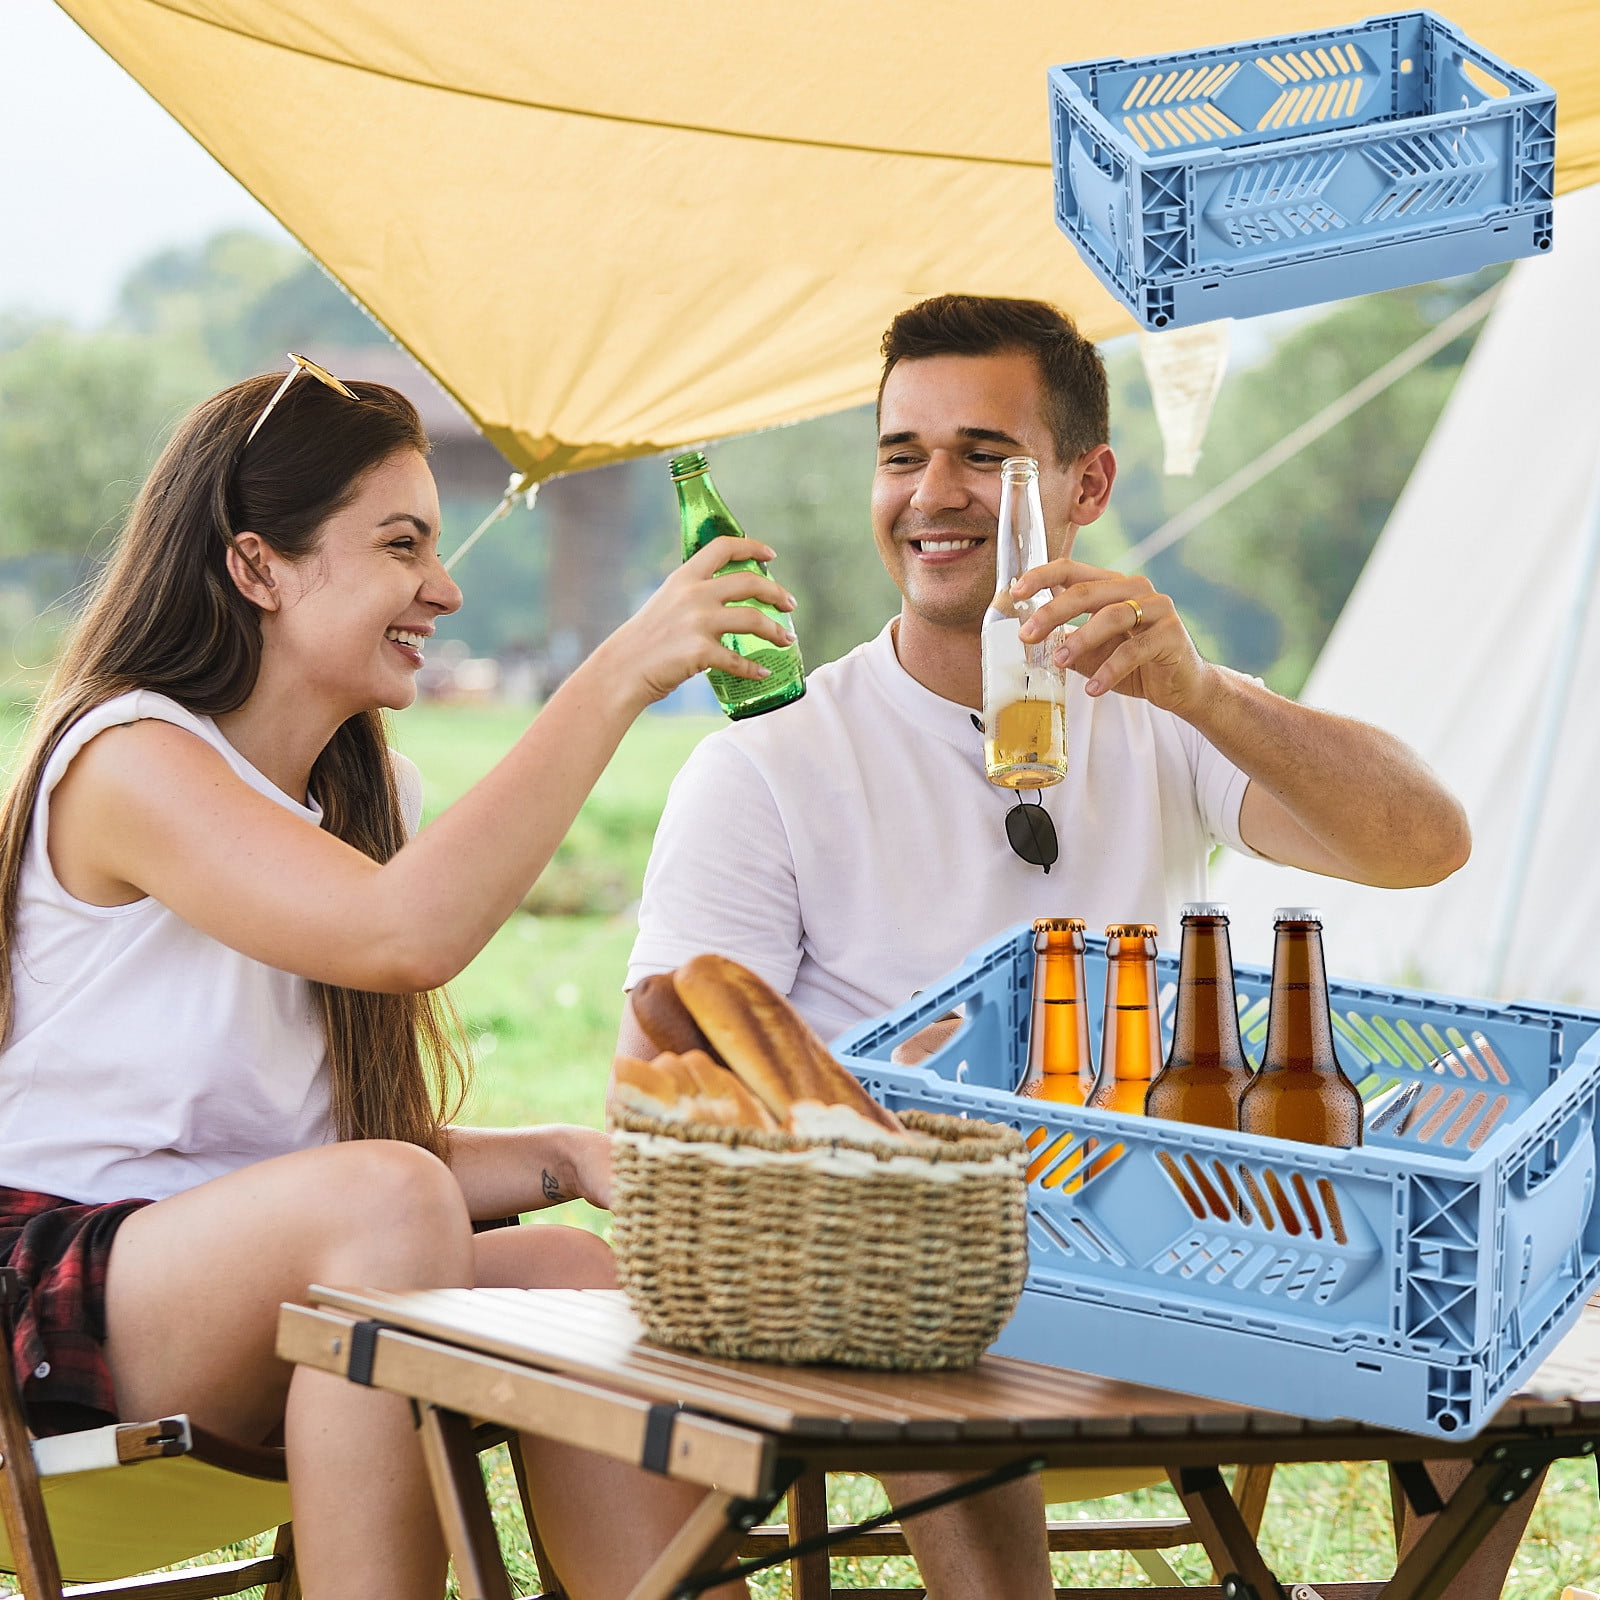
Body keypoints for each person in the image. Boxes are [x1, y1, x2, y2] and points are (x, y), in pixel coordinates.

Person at [619, 295, 1480, 1598]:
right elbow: (659, 1076)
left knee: (1455, 1281)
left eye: (983, 453)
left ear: (1088, 484)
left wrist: (1202, 689)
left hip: (1177, 1261)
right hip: (913, 1275)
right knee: (918, 1294)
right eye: (902, 453)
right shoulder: (772, 764)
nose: (933, 494)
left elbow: (1423, 842)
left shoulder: (1163, 711)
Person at [0, 359, 797, 1600]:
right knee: (384, 1203)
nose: (446, 583)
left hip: (241, 1277)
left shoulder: (368, 800)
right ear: (257, 564)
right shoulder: (129, 757)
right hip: (51, 1310)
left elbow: (297, 1154)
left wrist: (568, 1155)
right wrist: (622, 671)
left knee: (577, 1281)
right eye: (400, 542)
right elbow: (403, 942)